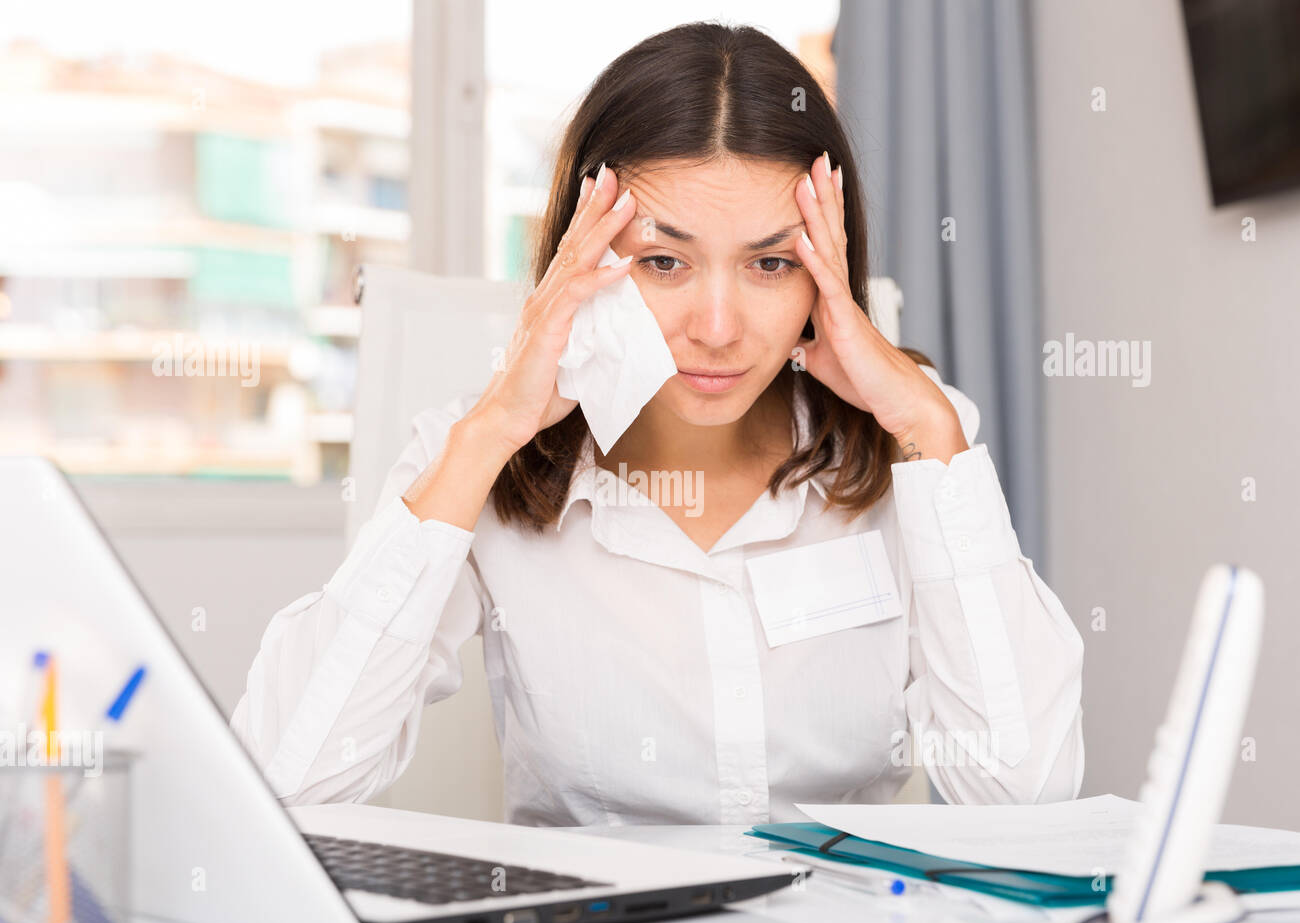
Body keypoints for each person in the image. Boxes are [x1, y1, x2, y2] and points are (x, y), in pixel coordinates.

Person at [231, 21, 1084, 826]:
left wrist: (933, 434)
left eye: (772, 262)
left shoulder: (912, 444)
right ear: (583, 259)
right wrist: (490, 431)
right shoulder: (484, 453)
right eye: (664, 262)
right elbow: (284, 779)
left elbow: (1023, 797)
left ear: (831, 270)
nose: (717, 326)